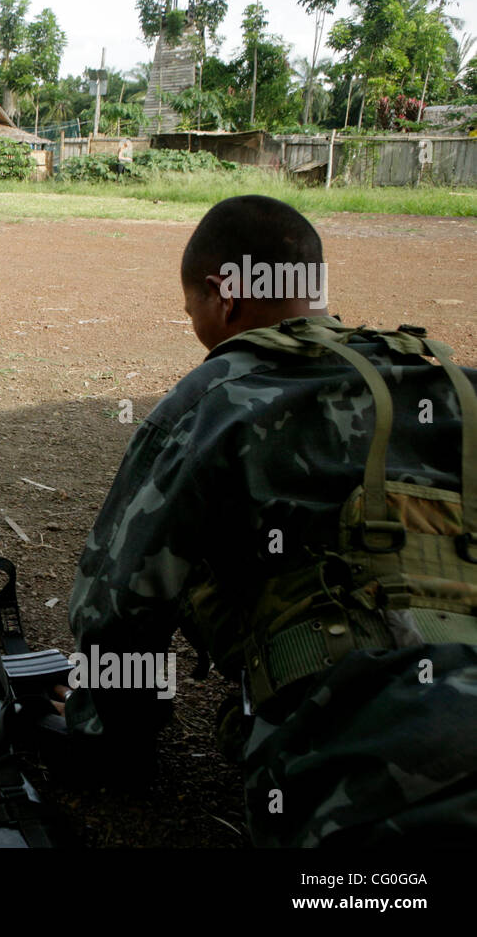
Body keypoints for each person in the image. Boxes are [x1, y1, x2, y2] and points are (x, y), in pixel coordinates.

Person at [59, 195, 477, 846]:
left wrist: (109, 737)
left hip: (380, 770)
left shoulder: (219, 398)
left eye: (191, 306)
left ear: (224, 296)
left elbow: (120, 606)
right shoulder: (457, 386)